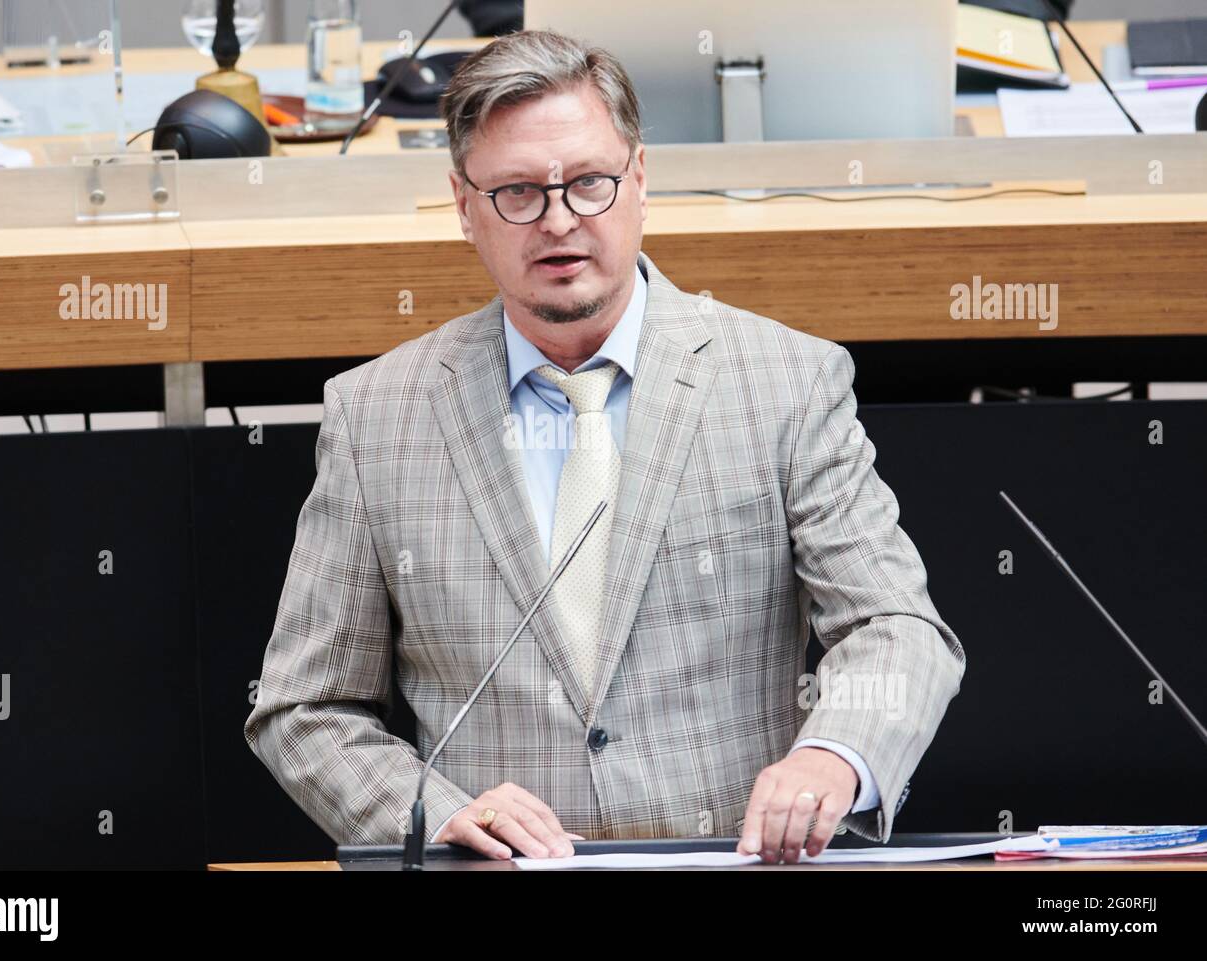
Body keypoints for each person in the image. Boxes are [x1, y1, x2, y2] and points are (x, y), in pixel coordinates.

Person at [246, 29, 964, 864]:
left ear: (641, 181)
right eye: (517, 192)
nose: (559, 223)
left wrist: (831, 755)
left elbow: (897, 628)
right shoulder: (378, 415)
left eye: (588, 183)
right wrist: (434, 812)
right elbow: (305, 708)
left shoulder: (785, 380)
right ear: (463, 204)